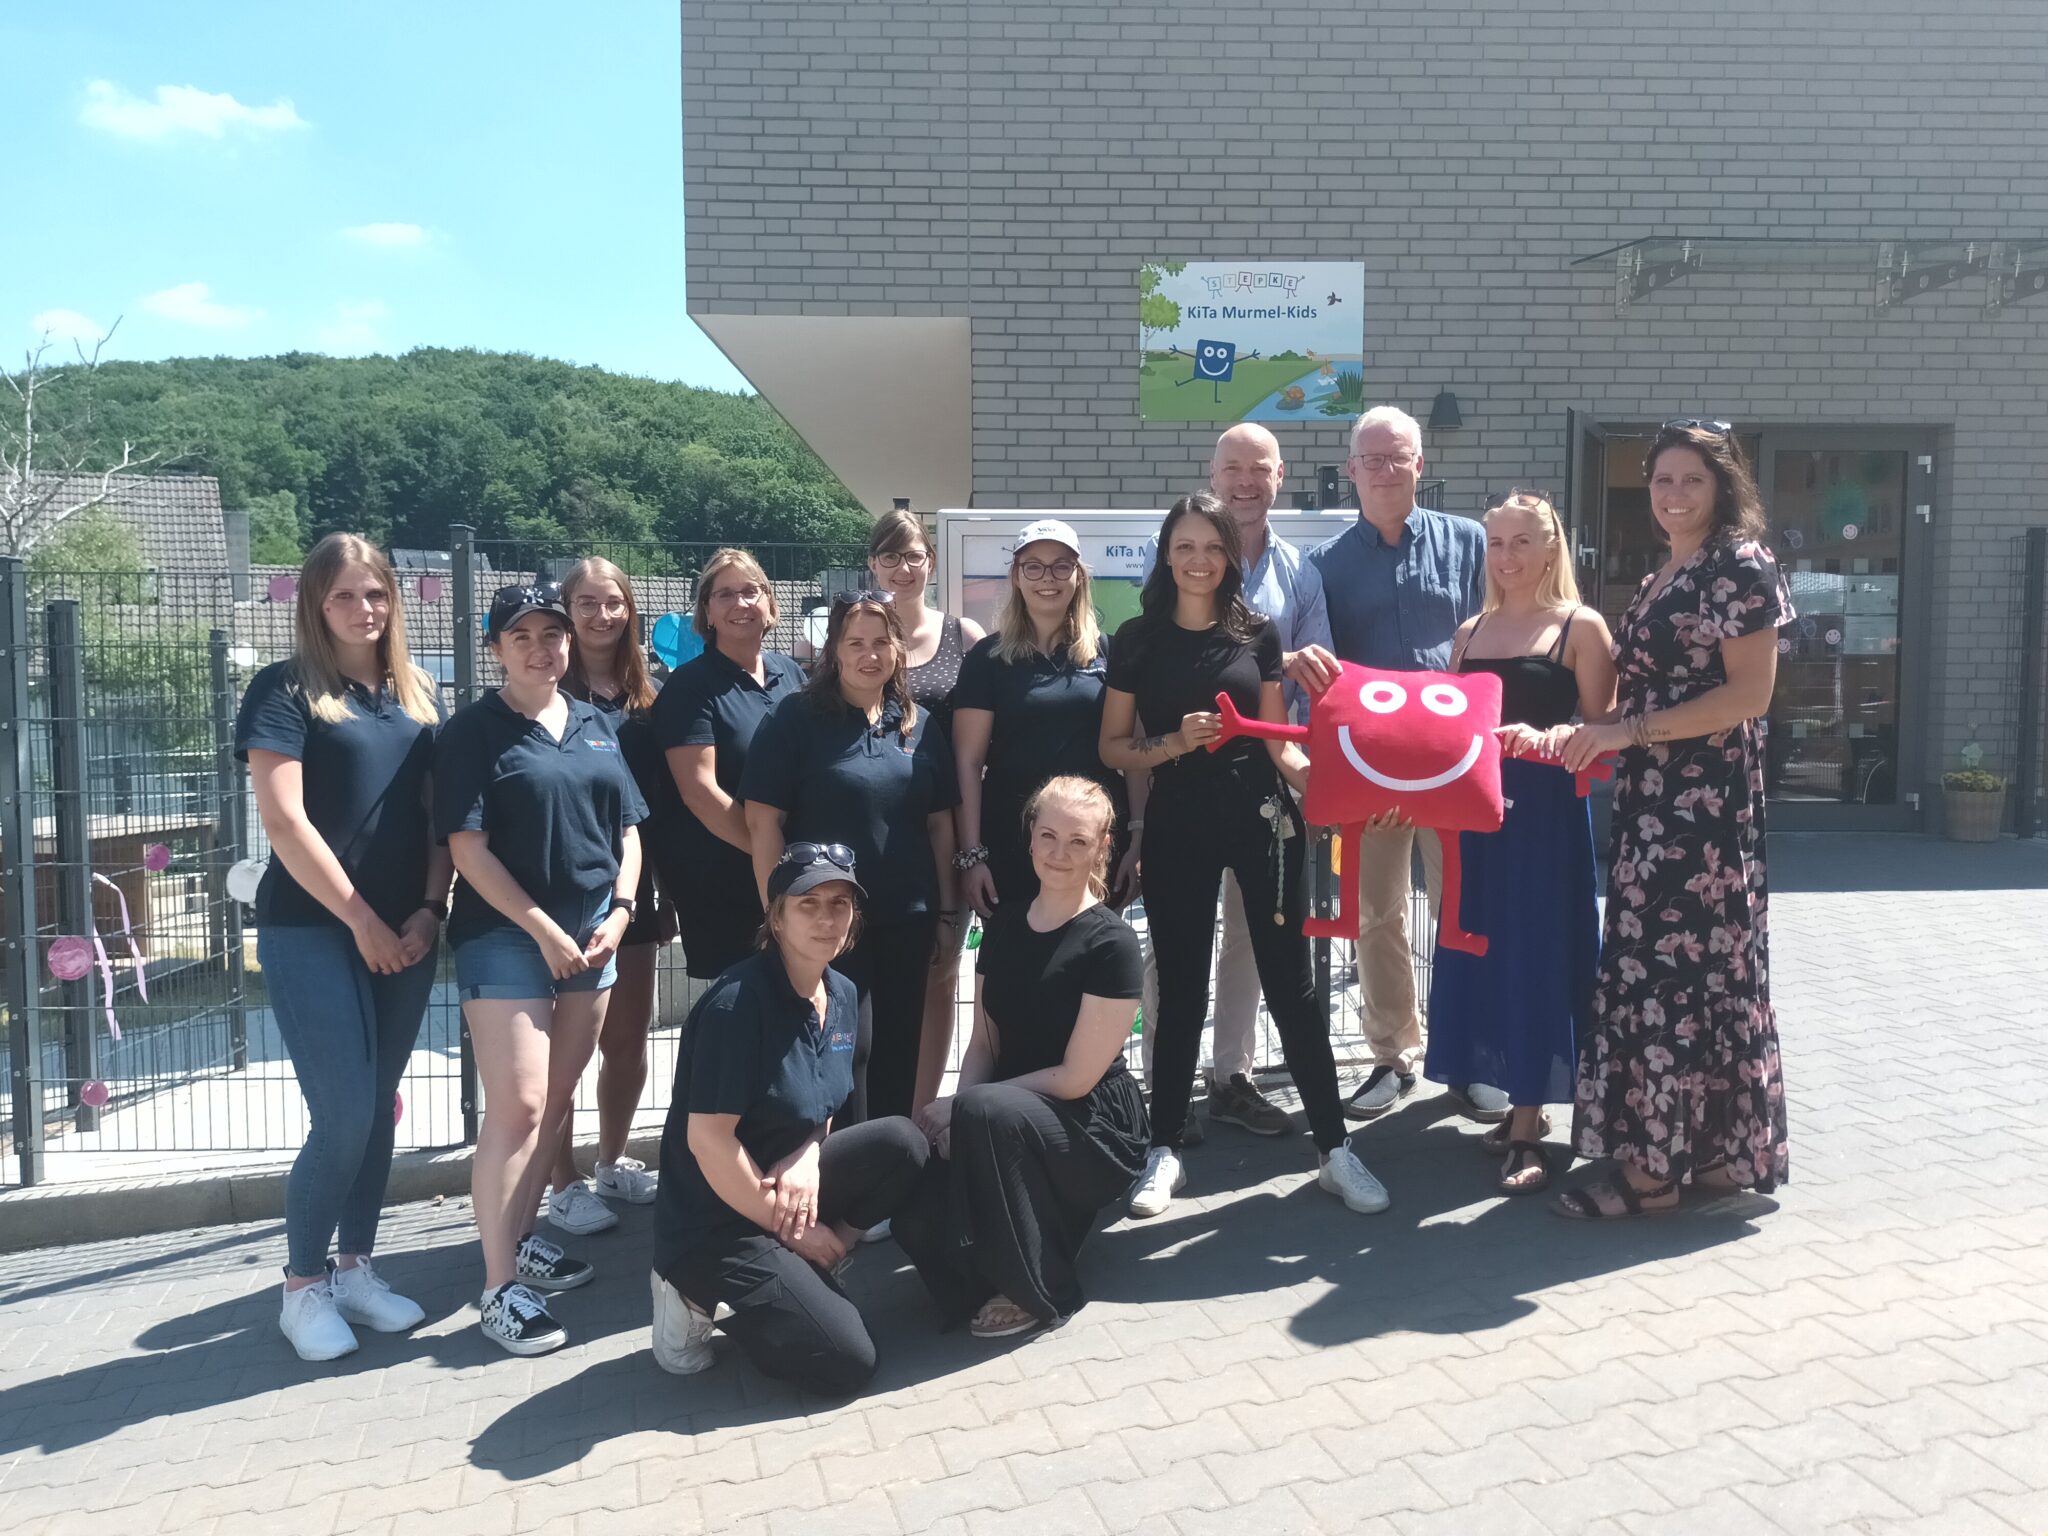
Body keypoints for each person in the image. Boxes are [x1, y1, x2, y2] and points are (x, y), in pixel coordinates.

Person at [1100, 492, 1388, 1220]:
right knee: (1182, 991)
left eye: (1213, 547)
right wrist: (1173, 743)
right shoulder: (1134, 639)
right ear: (1166, 553)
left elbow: (1278, 740)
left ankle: (1334, 1148)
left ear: (1231, 556)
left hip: (1262, 820)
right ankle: (1163, 1149)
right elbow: (1111, 746)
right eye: (1186, 546)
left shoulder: (1257, 634)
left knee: (1293, 989)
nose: (1200, 560)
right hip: (1177, 823)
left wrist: (1329, 792)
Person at [1552, 422, 1793, 1217]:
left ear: (1722, 486)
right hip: (1654, 805)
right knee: (1682, 974)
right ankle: (1714, 1158)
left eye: (1691, 480)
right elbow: (1645, 693)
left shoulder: (1740, 564)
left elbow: (1747, 698)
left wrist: (1628, 733)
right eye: (1662, 480)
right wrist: (1578, 733)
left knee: (1674, 973)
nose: (1674, 494)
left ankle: (1653, 1178)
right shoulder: (1670, 569)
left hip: (1705, 812)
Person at [235, 534, 448, 1362]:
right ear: (315, 607)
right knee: (345, 1112)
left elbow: (438, 817)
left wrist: (431, 909)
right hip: (313, 930)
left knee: (381, 1102)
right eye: (345, 597)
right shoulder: (284, 691)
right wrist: (360, 918)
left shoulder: (415, 693)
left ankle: (356, 1268)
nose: (365, 609)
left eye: (376, 594)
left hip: (409, 931)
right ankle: (301, 1287)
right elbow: (284, 822)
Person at [434, 581, 648, 1355]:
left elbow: (627, 829)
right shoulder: (471, 733)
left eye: (551, 634)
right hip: (507, 936)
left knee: (557, 1100)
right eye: (521, 635)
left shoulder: (594, 721)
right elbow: (468, 849)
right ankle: (498, 1289)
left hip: (594, 933)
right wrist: (542, 929)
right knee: (521, 1108)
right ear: (497, 646)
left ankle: (520, 1237)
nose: (541, 648)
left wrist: (622, 911)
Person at [648, 846, 928, 1394]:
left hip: (783, 1185)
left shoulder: (843, 994)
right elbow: (708, 1142)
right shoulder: (737, 1006)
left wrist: (808, 1155)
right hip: (716, 1217)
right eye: (809, 903)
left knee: (903, 1143)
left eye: (840, 904)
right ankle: (685, 1291)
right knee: (849, 1361)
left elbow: (821, 1099)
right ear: (776, 915)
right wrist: (794, 1233)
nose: (827, 918)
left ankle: (823, 1262)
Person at [1296, 405, 1503, 1124]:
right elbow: (1319, 678)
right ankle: (1393, 1056)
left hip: (1457, 768)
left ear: (1421, 465)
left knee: (1462, 908)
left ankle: (1468, 1053)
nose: (1385, 470)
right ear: (1350, 470)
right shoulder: (1322, 567)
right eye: (1371, 459)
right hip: (1370, 775)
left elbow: (1499, 640)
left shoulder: (1470, 544)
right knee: (1375, 911)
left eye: (1399, 457)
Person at [896, 776, 1148, 1339]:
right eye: (1049, 836)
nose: (1059, 854)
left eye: (1078, 842)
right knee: (915, 1200)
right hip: (1006, 1111)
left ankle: (1041, 1284)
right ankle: (985, 1267)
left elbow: (1078, 1077)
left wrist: (968, 1108)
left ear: (1103, 847)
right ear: (1030, 838)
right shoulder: (1004, 925)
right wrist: (959, 1110)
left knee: (984, 1111)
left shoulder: (1110, 944)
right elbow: (984, 1042)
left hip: (1092, 1124)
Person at [1136, 424, 1333, 1142]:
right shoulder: (1158, 612)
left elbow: (1319, 681)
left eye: (1260, 469)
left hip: (1264, 790)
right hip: (1181, 801)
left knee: (1256, 947)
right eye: (1233, 469)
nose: (1246, 481)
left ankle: (1234, 1078)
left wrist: (1319, 781)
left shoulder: (1300, 573)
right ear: (1212, 476)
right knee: (1175, 952)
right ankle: (1168, 1092)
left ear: (1279, 477)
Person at [1427, 492, 1617, 1195]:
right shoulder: (1469, 632)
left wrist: (1559, 738)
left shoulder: (1581, 627)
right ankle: (1513, 1106)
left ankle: (1531, 1122)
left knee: (1536, 958)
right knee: (1486, 953)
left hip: (1545, 822)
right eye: (1495, 544)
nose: (1506, 558)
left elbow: (1608, 735)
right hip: (1478, 822)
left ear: (1550, 547)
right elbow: (1448, 733)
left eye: (1520, 543)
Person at [742, 591, 960, 1124]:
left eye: (881, 642)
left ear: (898, 649)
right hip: (827, 919)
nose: (869, 655)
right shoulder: (796, 719)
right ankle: (836, 1172)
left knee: (897, 1047)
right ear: (833, 651)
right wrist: (779, 909)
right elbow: (762, 821)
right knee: (846, 1050)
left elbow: (939, 824)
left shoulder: (920, 723)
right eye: (855, 643)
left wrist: (948, 912)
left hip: (907, 918)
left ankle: (887, 1175)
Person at [540, 557, 674, 1235]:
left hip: (633, 890)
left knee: (627, 1039)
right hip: (560, 889)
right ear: (566, 611)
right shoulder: (540, 687)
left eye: (613, 603)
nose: (600, 616)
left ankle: (611, 1161)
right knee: (567, 1046)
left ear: (630, 611)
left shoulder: (650, 698)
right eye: (585, 604)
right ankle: (560, 1182)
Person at [867, 509, 987, 1112]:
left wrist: (972, 846)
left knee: (941, 972)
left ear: (931, 563)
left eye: (913, 556)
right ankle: (867, 1121)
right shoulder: (859, 637)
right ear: (872, 565)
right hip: (875, 834)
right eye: (890, 557)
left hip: (946, 834)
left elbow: (981, 746)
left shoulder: (962, 637)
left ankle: (916, 1116)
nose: (902, 568)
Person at [953, 518, 1128, 917]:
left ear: (1078, 576)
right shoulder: (987, 659)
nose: (1047, 578)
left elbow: (1130, 754)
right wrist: (972, 855)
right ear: (1016, 576)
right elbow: (968, 762)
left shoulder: (1110, 653)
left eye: (1061, 566)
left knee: (1089, 968)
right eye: (1033, 566)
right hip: (1012, 842)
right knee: (1013, 972)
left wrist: (1137, 839)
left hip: (1092, 841)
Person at [652, 548, 806, 983]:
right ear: (707, 612)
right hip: (723, 881)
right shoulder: (690, 687)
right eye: (724, 595)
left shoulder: (791, 675)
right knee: (739, 1016)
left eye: (750, 591)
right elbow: (699, 792)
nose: (740, 603)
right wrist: (773, 860)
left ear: (770, 603)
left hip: (791, 873)